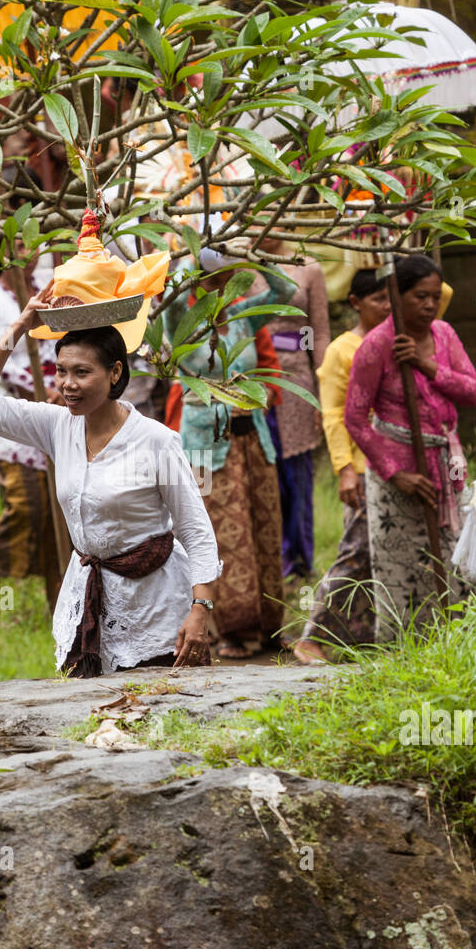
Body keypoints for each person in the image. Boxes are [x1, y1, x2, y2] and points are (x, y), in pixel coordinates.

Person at [0, 317, 221, 677]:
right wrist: (21, 324)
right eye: (61, 371)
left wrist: (200, 608)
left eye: (81, 372)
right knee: (95, 718)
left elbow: (194, 529)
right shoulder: (58, 425)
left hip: (154, 606)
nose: (67, 385)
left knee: (156, 712)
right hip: (89, 597)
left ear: (114, 372)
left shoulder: (157, 441)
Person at [344, 254, 476, 641]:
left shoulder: (444, 335)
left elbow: (473, 391)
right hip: (398, 483)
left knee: (458, 561)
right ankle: (402, 653)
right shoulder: (375, 346)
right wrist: (396, 473)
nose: (429, 305)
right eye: (420, 296)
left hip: (446, 467)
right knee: (403, 574)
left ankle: (456, 645)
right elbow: (354, 418)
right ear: (396, 296)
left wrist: (427, 365)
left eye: (435, 297)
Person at [163, 260, 296, 659]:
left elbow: (284, 294)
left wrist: (251, 255)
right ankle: (231, 632)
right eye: (210, 280)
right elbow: (166, 293)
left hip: (252, 438)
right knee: (220, 532)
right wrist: (194, 254)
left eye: (225, 279)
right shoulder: (182, 322)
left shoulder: (241, 317)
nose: (219, 288)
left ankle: (270, 626)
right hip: (205, 445)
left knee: (264, 526)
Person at [291, 269, 391, 664]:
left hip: (396, 464)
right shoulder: (341, 349)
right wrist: (344, 468)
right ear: (355, 303)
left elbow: (441, 290)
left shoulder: (399, 341)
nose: (387, 307)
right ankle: (310, 636)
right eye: (379, 299)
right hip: (362, 465)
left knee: (382, 554)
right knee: (355, 551)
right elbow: (332, 413)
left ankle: (363, 635)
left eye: (391, 298)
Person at [0, 250, 61, 626]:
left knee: (61, 515)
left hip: (60, 416)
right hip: (16, 425)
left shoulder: (52, 289)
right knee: (26, 508)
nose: (27, 252)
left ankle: (60, 599)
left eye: (31, 242)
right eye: (17, 244)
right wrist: (50, 393)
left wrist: (67, 390)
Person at [265, 259, 330, 579]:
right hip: (251, 377)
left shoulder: (309, 268)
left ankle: (301, 559)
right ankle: (271, 558)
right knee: (265, 472)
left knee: (298, 472)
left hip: (297, 377)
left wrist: (324, 393)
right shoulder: (237, 264)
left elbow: (319, 336)